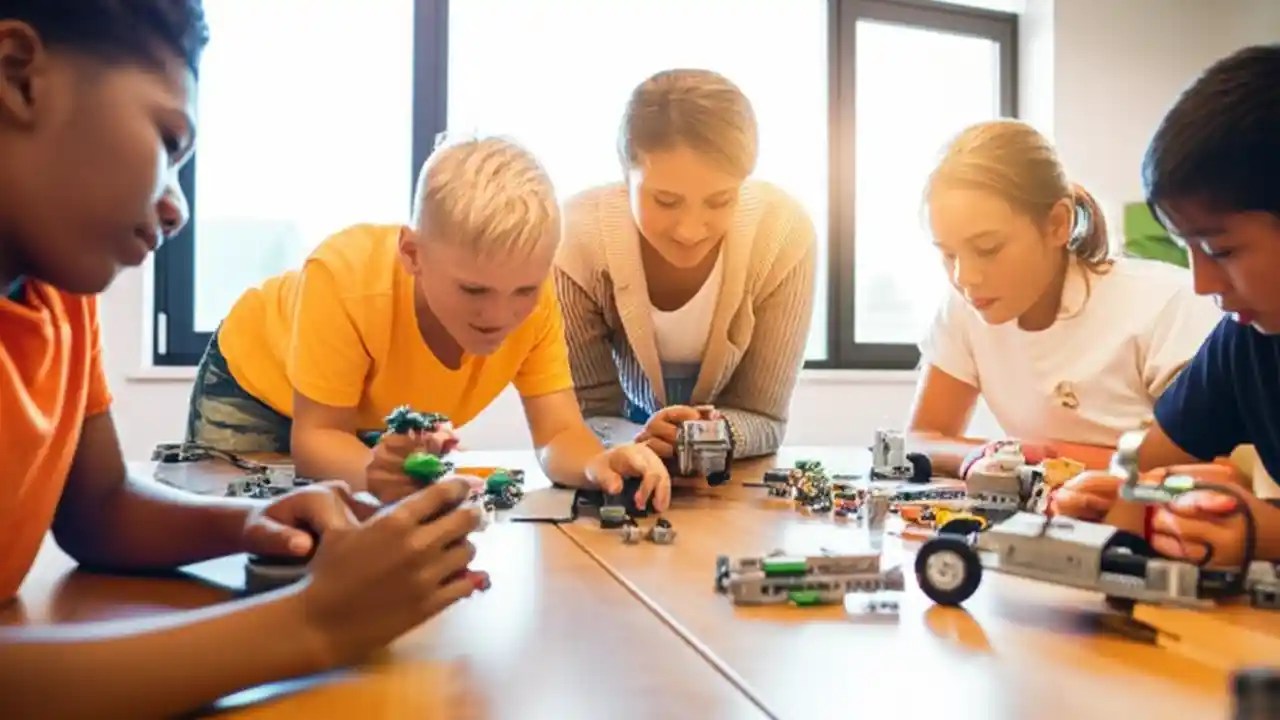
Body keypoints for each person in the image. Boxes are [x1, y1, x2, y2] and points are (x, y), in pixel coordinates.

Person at [0, 3, 493, 717]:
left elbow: (98, 507)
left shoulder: (60, 300)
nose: (176, 209)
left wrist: (254, 521)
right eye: (169, 140)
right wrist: (313, 625)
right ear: (18, 75)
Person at [189, 134, 671, 508]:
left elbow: (560, 434)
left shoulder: (538, 302)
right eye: (474, 290)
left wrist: (597, 463)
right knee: (245, 536)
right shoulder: (343, 278)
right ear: (412, 254)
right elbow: (317, 440)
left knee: (369, 527)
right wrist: (382, 473)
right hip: (256, 388)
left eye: (524, 290)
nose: (499, 316)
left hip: (360, 420)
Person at [1051, 44, 1280, 568]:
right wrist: (1114, 494)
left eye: (1221, 250)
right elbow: (1146, 467)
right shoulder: (1245, 340)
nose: (1201, 284)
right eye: (1187, 249)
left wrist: (1269, 535)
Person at [905, 118, 1222, 481]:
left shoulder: (1166, 304)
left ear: (1058, 224)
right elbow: (921, 437)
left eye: (988, 248)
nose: (964, 277)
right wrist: (987, 454)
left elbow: (1216, 469)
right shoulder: (965, 309)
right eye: (948, 254)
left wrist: (1044, 456)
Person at [555, 68, 816, 467]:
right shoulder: (575, 242)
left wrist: (702, 437)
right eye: (666, 201)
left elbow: (764, 416)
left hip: (728, 477)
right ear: (625, 177)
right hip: (621, 465)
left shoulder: (783, 235)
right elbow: (586, 415)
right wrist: (644, 442)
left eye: (720, 200)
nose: (690, 231)